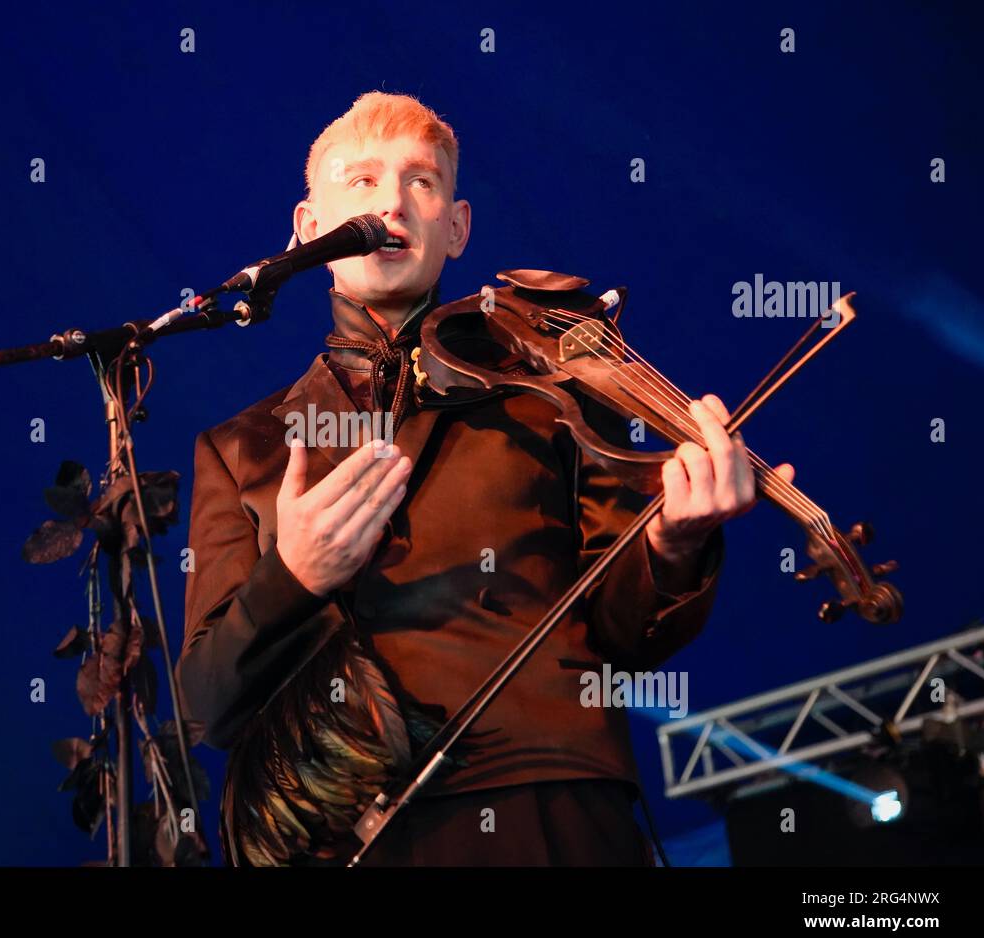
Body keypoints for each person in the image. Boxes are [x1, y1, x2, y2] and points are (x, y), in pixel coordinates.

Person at [174, 91, 793, 866]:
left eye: (421, 182)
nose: (392, 202)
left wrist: (674, 543)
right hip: (345, 836)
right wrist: (292, 576)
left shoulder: (551, 388)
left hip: (548, 798)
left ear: (456, 228)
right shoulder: (241, 447)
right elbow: (205, 703)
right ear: (306, 228)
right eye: (360, 182)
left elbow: (623, 633)